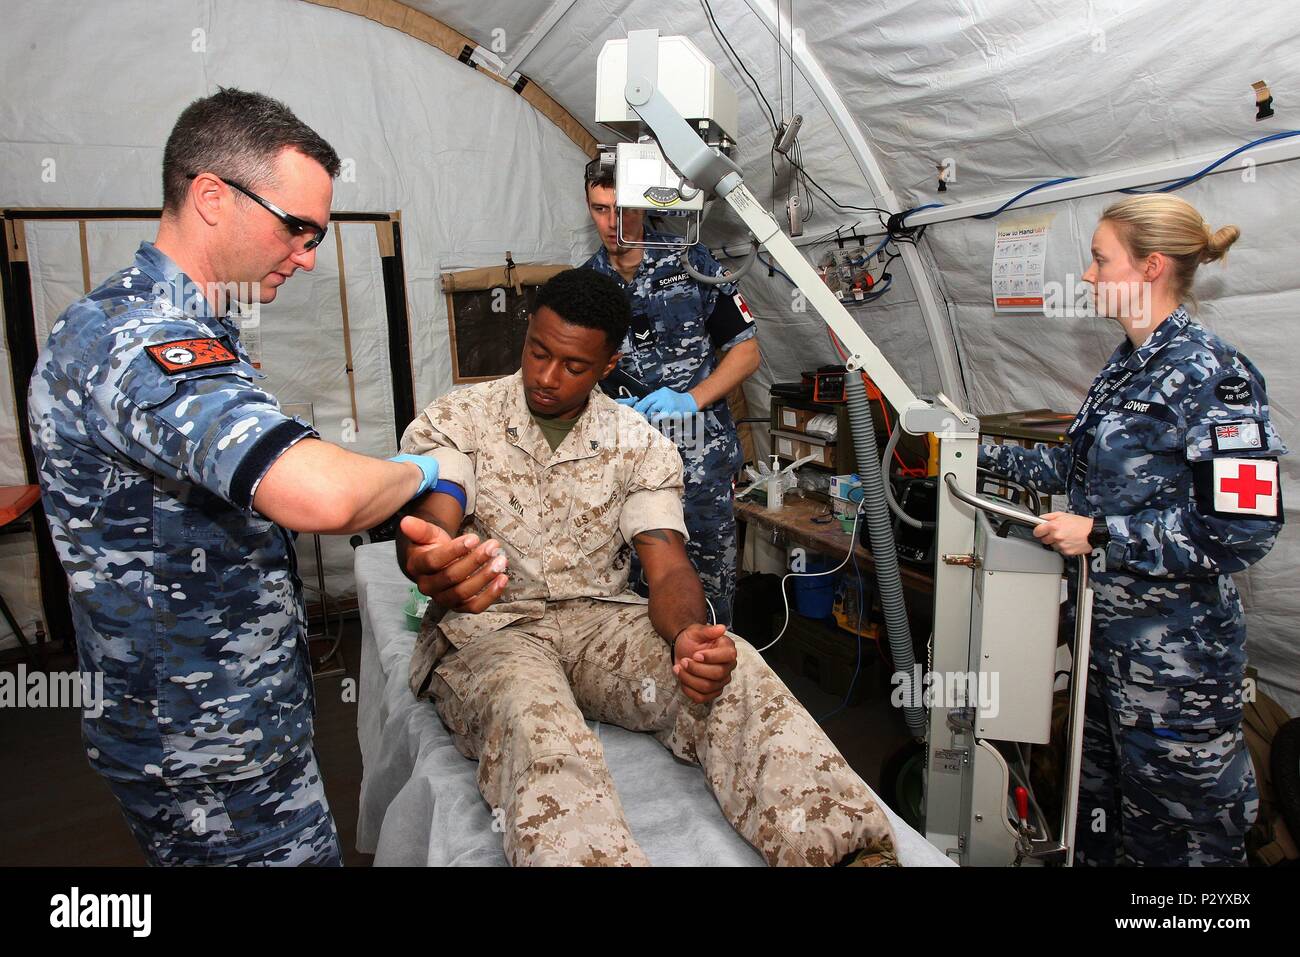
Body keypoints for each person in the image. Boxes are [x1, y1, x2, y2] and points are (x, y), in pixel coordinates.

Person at [27, 88, 444, 866]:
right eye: (298, 228)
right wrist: (426, 469)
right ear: (212, 197)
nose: (309, 253)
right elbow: (316, 491)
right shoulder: (137, 339)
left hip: (226, 723)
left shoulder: (191, 330)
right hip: (202, 749)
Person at [395, 268, 898, 866]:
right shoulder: (461, 418)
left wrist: (688, 635)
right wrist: (429, 555)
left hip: (600, 625)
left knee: (731, 667)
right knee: (536, 720)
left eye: (574, 366)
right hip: (495, 628)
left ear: (608, 365)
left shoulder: (638, 441)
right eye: (538, 352)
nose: (547, 377)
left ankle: (845, 852)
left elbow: (666, 566)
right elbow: (439, 507)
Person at [981, 195, 1287, 866]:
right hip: (1105, 651)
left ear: (1149, 266)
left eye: (1099, 259)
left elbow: (1244, 529)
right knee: (1101, 827)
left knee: (1178, 849)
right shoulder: (1125, 367)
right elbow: (1073, 466)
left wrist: (1103, 535)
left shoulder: (1215, 377)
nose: (1087, 276)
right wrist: (965, 444)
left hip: (1175, 673)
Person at [580, 163, 760, 626]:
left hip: (699, 464)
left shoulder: (690, 263)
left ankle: (718, 688)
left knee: (710, 593)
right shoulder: (586, 286)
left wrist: (692, 400)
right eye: (600, 210)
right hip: (627, 469)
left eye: (622, 210)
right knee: (637, 600)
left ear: (641, 205)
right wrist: (598, 406)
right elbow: (571, 372)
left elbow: (746, 352)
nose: (612, 223)